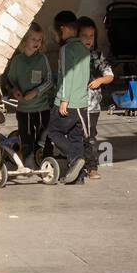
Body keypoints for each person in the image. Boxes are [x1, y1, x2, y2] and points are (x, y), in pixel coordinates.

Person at [44, 10, 90, 186]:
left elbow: (67, 76)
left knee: (53, 131)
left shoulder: (66, 49)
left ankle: (75, 157)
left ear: (62, 29)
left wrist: (64, 100)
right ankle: (78, 177)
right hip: (82, 104)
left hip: (67, 103)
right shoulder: (84, 49)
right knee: (75, 137)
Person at [1, 23, 53, 165]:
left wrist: (36, 91)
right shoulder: (17, 61)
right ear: (24, 40)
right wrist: (14, 91)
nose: (37, 43)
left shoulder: (42, 59)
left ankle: (46, 166)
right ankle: (29, 167)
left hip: (42, 108)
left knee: (44, 139)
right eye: (33, 39)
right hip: (24, 110)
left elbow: (49, 81)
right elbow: (10, 82)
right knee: (27, 140)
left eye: (39, 40)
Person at [77, 16, 113, 180]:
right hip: (75, 104)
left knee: (90, 137)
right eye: (84, 35)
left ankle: (92, 167)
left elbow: (109, 75)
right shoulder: (72, 55)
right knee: (76, 135)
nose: (88, 39)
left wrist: (100, 80)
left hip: (92, 106)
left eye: (91, 36)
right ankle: (77, 163)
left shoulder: (97, 56)